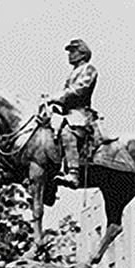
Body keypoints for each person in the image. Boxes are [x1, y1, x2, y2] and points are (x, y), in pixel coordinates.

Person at [47, 38, 99, 188]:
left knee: (66, 132)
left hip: (80, 114)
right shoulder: (72, 72)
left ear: (83, 54)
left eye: (73, 51)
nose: (70, 55)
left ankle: (74, 174)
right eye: (69, 52)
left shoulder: (89, 69)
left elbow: (79, 90)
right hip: (69, 113)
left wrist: (56, 98)